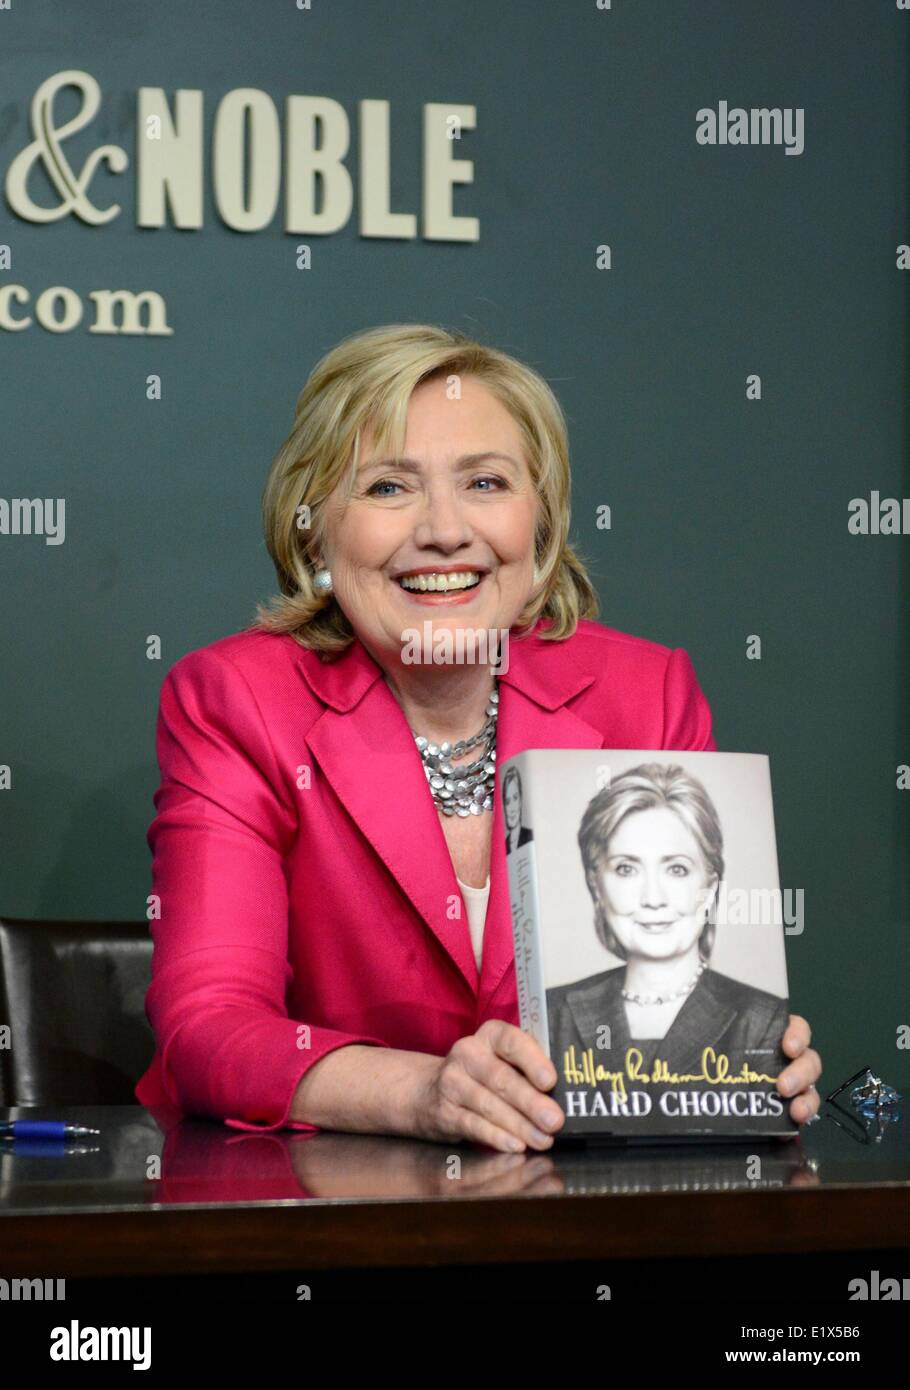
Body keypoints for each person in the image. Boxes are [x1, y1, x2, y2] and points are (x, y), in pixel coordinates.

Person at [134, 322, 821, 1153]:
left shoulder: (648, 694)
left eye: (486, 483)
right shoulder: (236, 701)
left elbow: (676, 994)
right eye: (389, 489)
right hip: (330, 1222)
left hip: (584, 1215)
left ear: (540, 527)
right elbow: (210, 1030)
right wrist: (424, 1091)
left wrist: (736, 1057)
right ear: (314, 531)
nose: (446, 530)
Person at [546, 763, 791, 1089]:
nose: (653, 898)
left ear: (710, 887)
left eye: (676, 869)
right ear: (596, 884)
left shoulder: (763, 1019)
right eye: (626, 869)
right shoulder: (552, 1013)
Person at [503, 765, 534, 855]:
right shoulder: (504, 846)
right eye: (507, 802)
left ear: (520, 799)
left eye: (515, 798)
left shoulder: (530, 836)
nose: (512, 809)